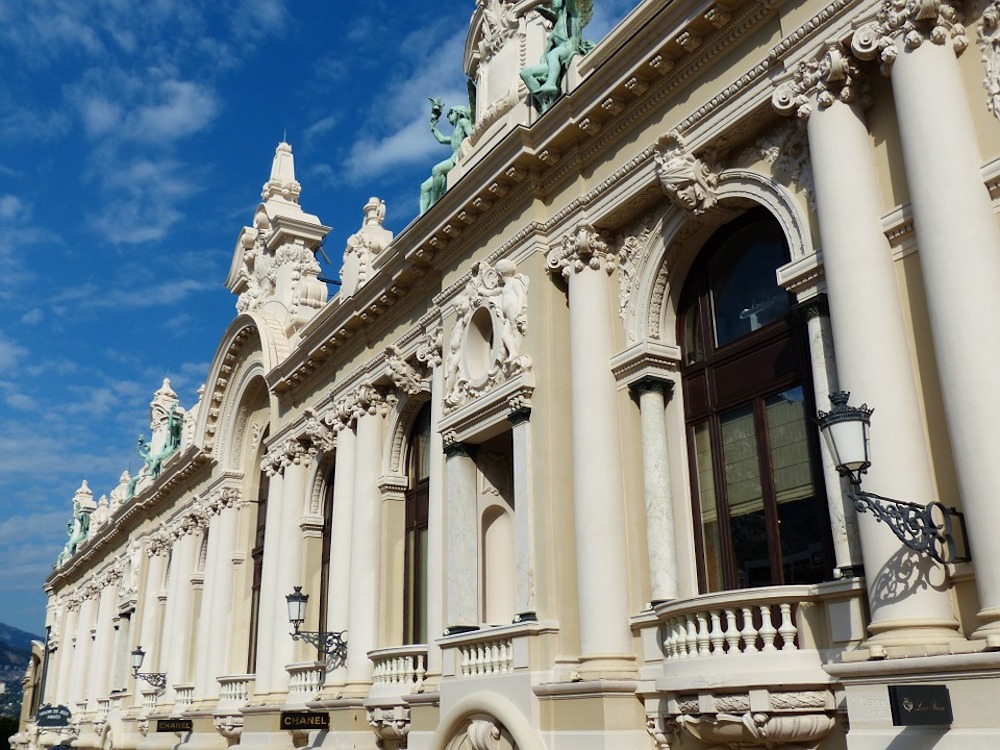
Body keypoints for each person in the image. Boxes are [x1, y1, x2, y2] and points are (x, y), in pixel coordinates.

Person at [519, 0, 593, 113]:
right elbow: (546, 54)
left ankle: (551, 84)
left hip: (570, 46)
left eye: (556, 0)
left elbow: (570, 3)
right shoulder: (554, 31)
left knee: (553, 54)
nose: (553, 2)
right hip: (555, 58)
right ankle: (544, 101)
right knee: (525, 73)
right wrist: (543, 65)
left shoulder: (571, 15)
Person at [420, 101, 474, 214]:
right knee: (424, 187)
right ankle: (422, 216)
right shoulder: (455, 132)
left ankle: (434, 204)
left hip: (456, 158)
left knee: (436, 170)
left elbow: (472, 135)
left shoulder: (463, 122)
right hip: (452, 158)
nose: (449, 117)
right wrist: (433, 126)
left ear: (457, 112)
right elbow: (442, 139)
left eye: (450, 114)